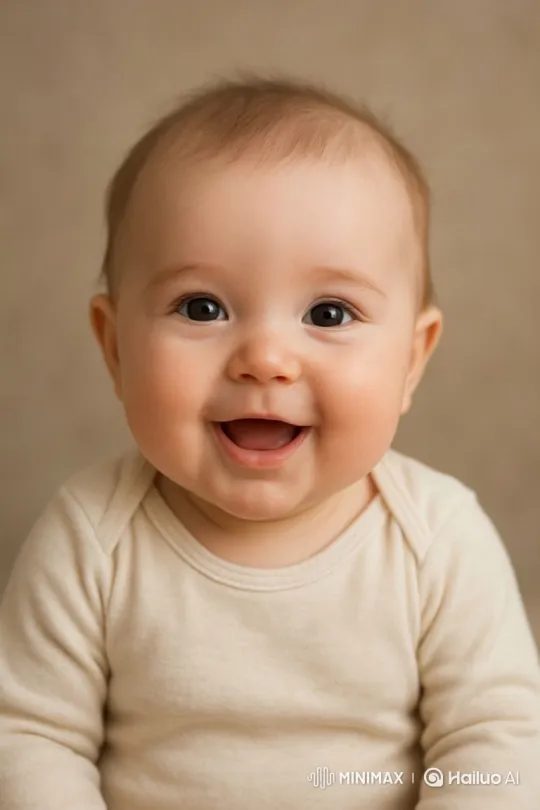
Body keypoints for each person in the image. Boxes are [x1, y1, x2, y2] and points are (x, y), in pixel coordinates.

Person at [1, 76, 539, 810]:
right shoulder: (93, 536)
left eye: (329, 311)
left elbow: (498, 744)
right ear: (116, 348)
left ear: (412, 359)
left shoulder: (436, 538)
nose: (265, 357)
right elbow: (30, 736)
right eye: (203, 306)